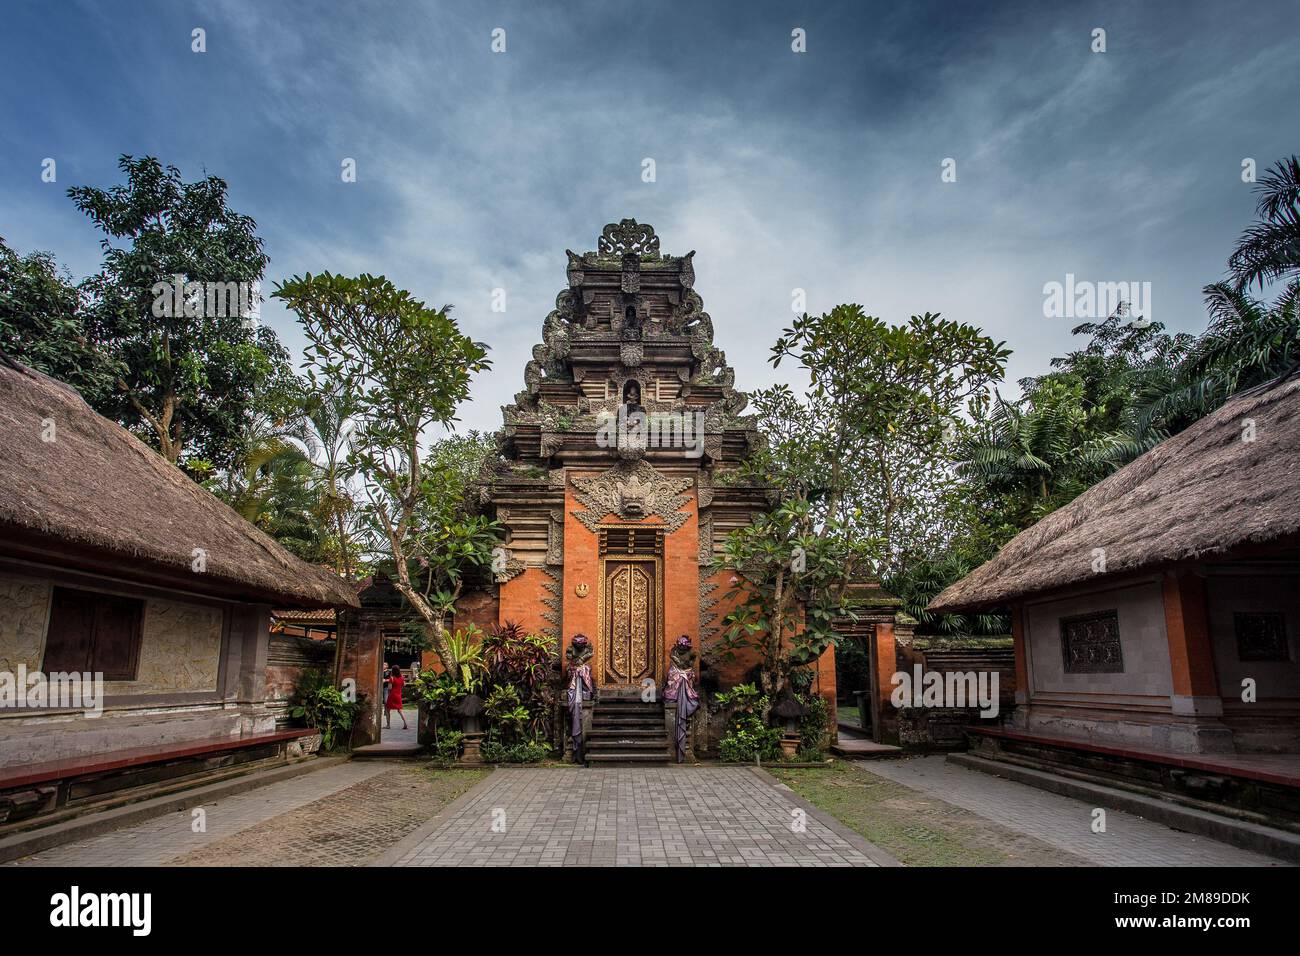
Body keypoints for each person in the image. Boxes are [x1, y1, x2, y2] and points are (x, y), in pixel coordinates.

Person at [384, 664, 407, 730]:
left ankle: (388, 725)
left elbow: (389, 688)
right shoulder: (402, 678)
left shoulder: (392, 678)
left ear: (393, 671)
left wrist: (389, 683)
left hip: (392, 695)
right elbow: (404, 685)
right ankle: (405, 723)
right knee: (400, 710)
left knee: (388, 710)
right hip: (398, 695)